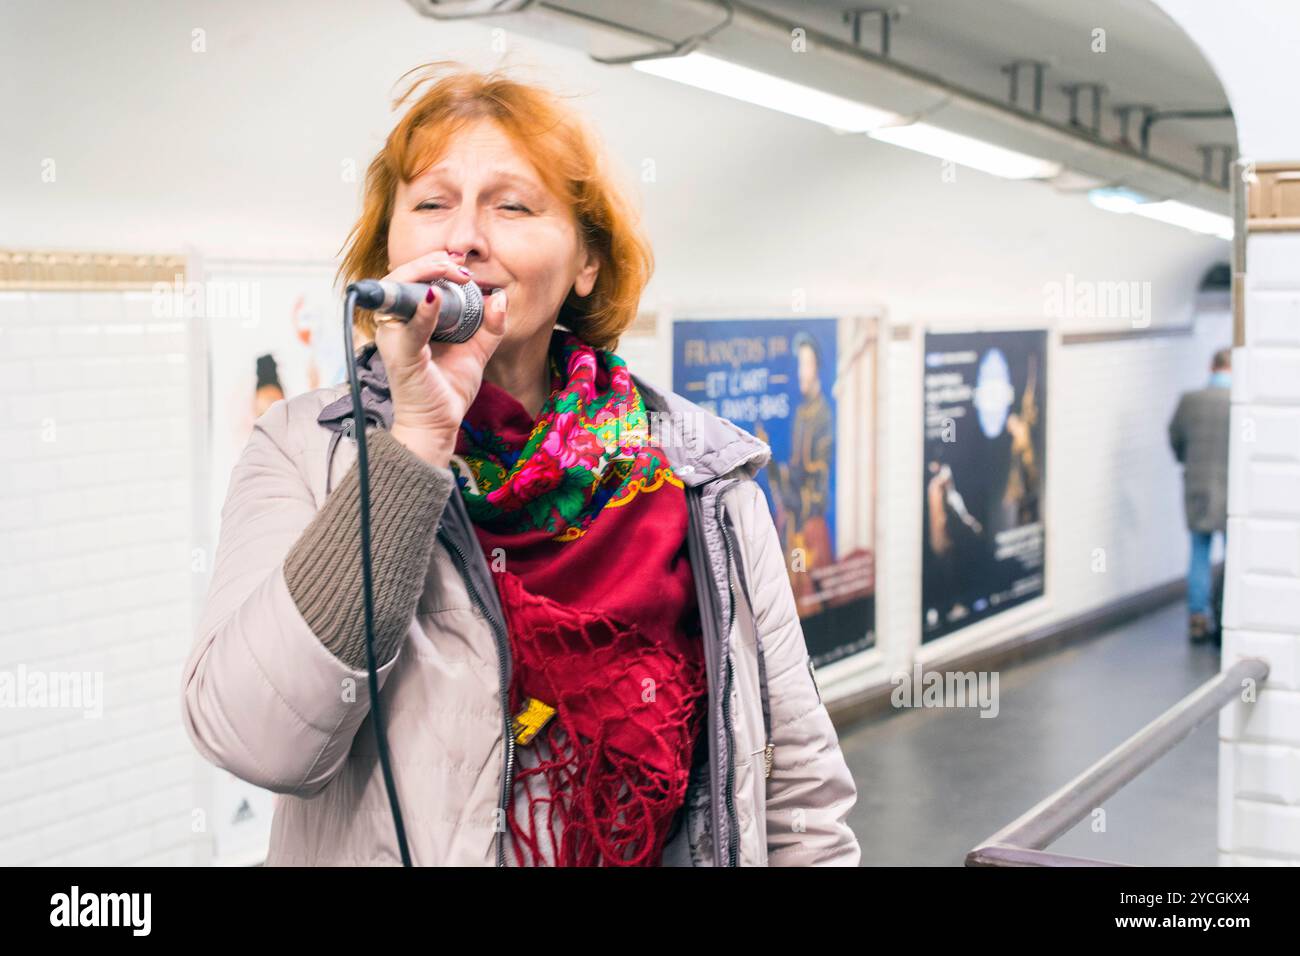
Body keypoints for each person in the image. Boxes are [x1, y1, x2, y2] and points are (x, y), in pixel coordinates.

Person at [180, 62, 859, 867]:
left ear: (585, 264)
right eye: (431, 203)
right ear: (389, 247)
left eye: (512, 205)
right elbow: (256, 741)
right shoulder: (304, 449)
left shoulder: (701, 476)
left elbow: (799, 798)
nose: (463, 236)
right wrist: (413, 448)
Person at [1168, 347, 1232, 644]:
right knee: (1235, 556)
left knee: (1199, 552)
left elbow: (1175, 440)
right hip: (1233, 492)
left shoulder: (1190, 401)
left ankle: (1197, 616)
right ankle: (1228, 614)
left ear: (1212, 366)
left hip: (1197, 489)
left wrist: (1189, 462)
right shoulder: (1239, 403)